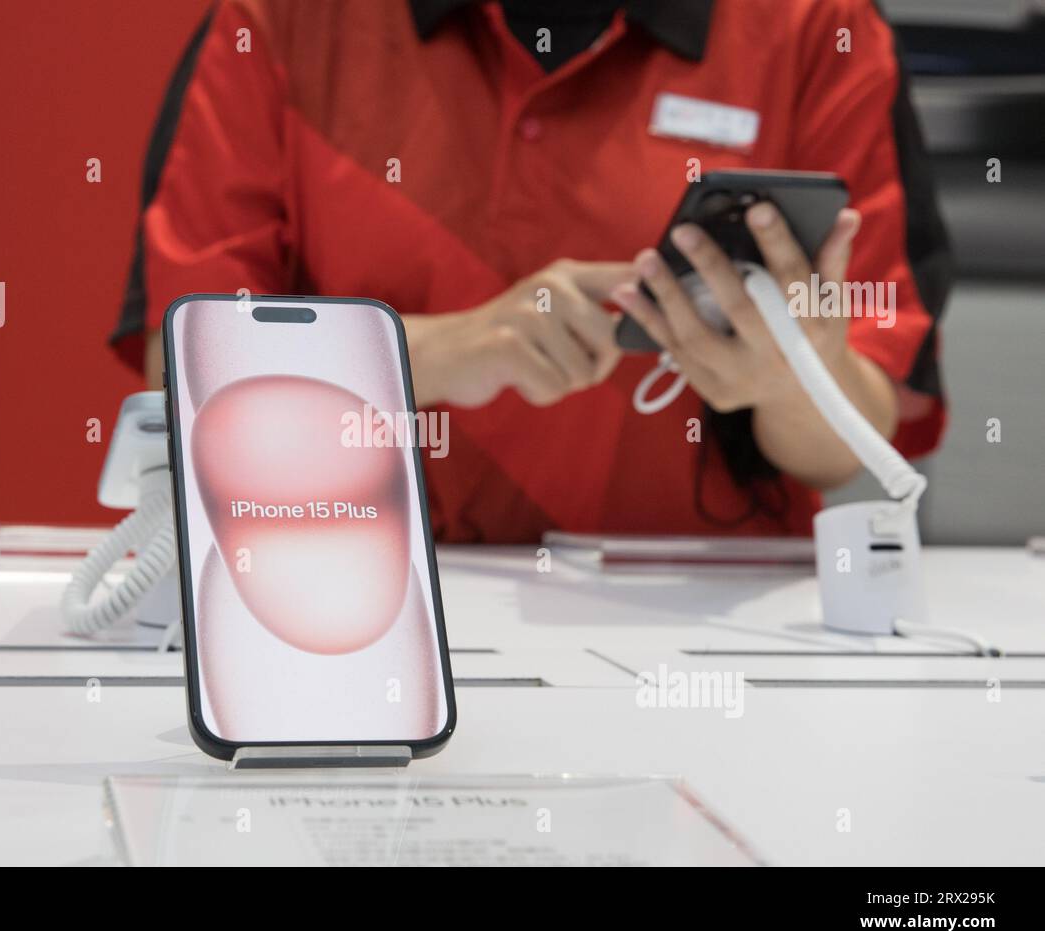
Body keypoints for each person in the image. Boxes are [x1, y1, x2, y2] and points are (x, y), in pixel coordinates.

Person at [111, 0, 951, 543]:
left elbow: (863, 435)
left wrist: (790, 381)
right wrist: (443, 351)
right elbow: (182, 370)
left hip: (695, 620)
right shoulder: (283, 20)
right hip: (350, 600)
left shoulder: (816, 27)